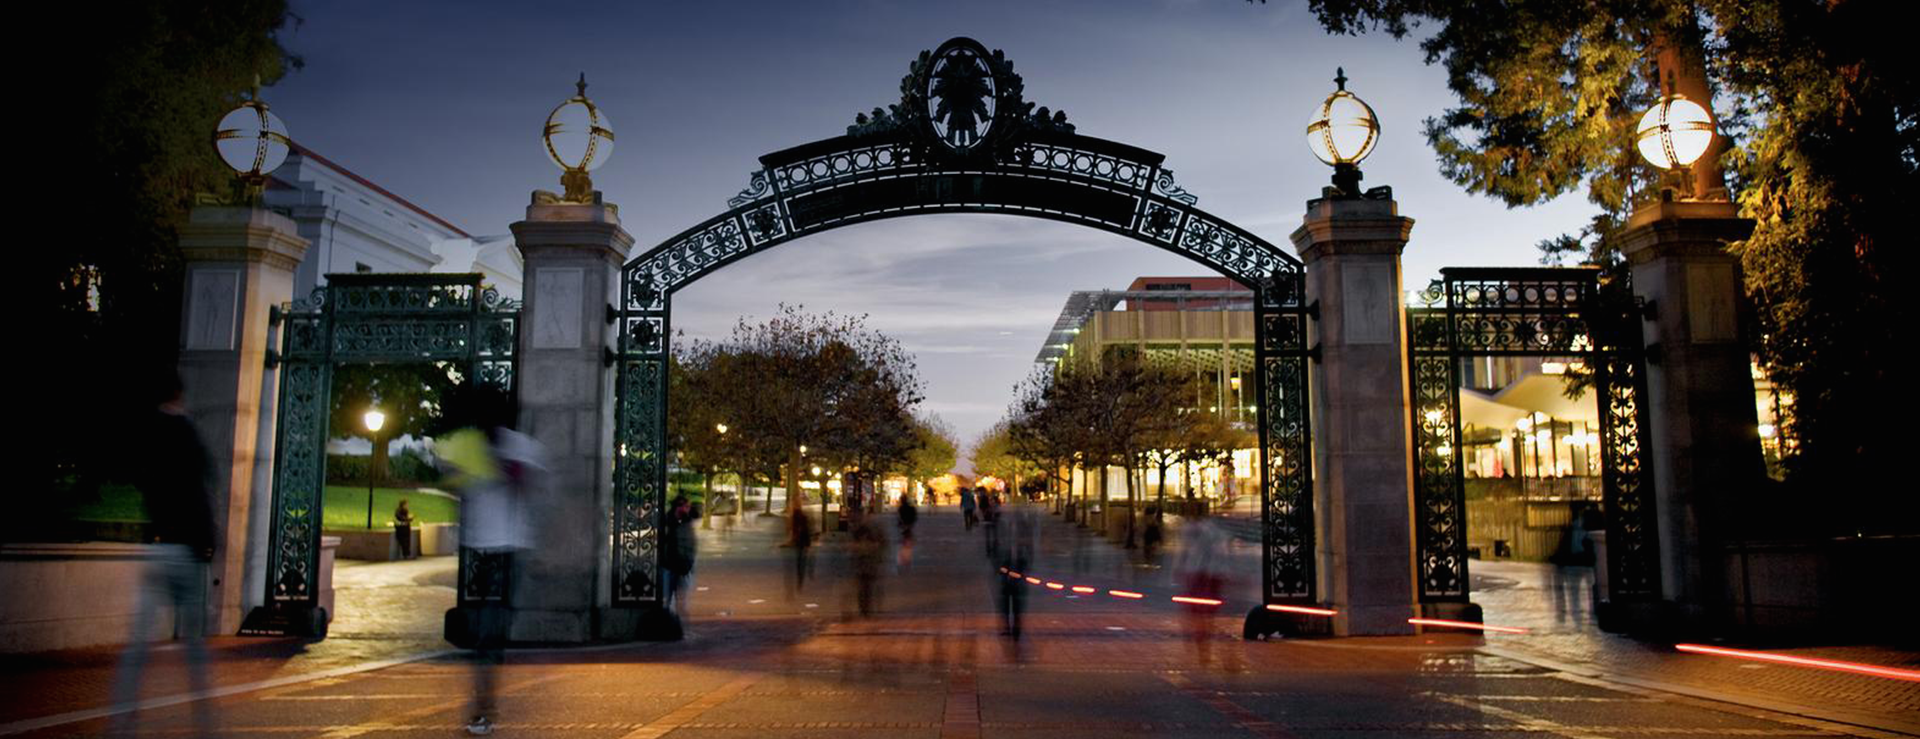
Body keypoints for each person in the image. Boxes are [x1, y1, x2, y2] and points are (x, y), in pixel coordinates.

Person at [110, 372, 217, 736]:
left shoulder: (148, 432)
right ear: (179, 394)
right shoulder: (186, 433)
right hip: (186, 550)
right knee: (193, 645)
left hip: (156, 546)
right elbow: (202, 489)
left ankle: (121, 720)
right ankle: (204, 722)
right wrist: (209, 541)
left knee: (138, 643)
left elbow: (140, 478)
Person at [439, 386, 540, 736]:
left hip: (507, 552)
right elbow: (450, 479)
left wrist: (496, 464)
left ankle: (484, 706)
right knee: (484, 635)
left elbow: (527, 483)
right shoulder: (466, 445)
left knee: (490, 634)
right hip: (479, 550)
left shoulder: (517, 446)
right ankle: (483, 704)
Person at [1174, 517, 1230, 663]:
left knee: (1196, 612)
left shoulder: (1192, 531)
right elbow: (1223, 554)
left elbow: (1185, 553)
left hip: (1199, 574)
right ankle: (1204, 645)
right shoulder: (1215, 532)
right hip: (1210, 575)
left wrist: (1179, 568)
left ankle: (1201, 644)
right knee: (1207, 613)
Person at [661, 493, 699, 625]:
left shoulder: (687, 522)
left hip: (683, 566)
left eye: (688, 506)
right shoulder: (667, 521)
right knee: (666, 598)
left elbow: (690, 544)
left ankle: (679, 624)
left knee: (681, 599)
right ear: (678, 507)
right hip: (669, 565)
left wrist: (689, 563)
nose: (688, 509)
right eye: (686, 506)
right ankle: (667, 623)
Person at [789, 500, 814, 597]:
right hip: (802, 541)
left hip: (801, 541)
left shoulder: (799, 516)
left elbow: (803, 529)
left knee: (800, 561)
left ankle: (801, 579)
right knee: (801, 561)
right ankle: (803, 577)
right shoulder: (799, 515)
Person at [896, 493, 918, 571]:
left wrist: (900, 524)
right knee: (907, 543)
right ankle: (906, 559)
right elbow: (915, 516)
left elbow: (899, 518)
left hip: (903, 527)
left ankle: (902, 560)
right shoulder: (911, 508)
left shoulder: (901, 508)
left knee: (903, 544)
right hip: (909, 526)